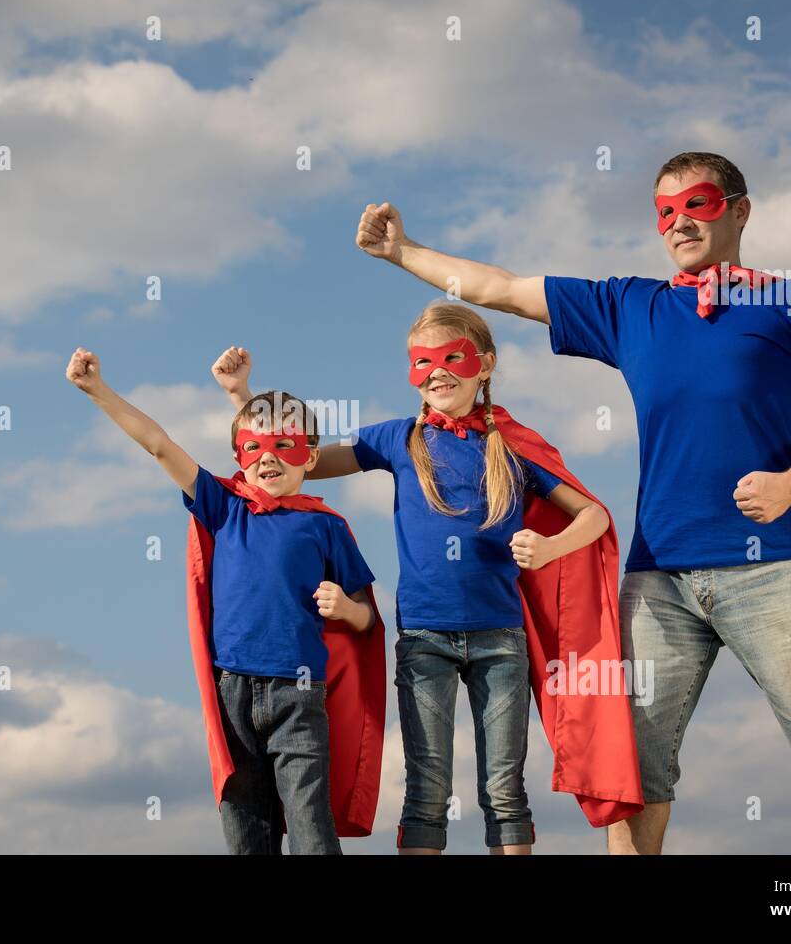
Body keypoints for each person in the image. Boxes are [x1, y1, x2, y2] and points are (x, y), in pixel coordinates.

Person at [351, 150, 791, 854]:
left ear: (739, 210)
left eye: (698, 204)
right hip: (658, 583)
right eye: (665, 211)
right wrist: (403, 251)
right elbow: (499, 289)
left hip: (776, 569)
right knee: (635, 774)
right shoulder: (631, 306)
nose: (679, 221)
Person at [211, 304, 643, 855]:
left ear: (484, 365)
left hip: (500, 639)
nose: (437, 372)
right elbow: (295, 459)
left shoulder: (513, 444)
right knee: (426, 790)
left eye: (451, 358)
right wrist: (241, 396)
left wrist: (551, 546)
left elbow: (595, 515)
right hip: (423, 641)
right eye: (423, 362)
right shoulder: (399, 438)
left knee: (504, 789)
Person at [66, 348, 384, 854]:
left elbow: (369, 621)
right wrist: (98, 390)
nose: (270, 457)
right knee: (246, 828)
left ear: (312, 457)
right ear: (239, 454)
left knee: (309, 828)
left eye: (286, 444)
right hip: (232, 690)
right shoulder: (223, 506)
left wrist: (347, 609)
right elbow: (160, 446)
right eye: (255, 446)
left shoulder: (325, 526)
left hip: (299, 695)